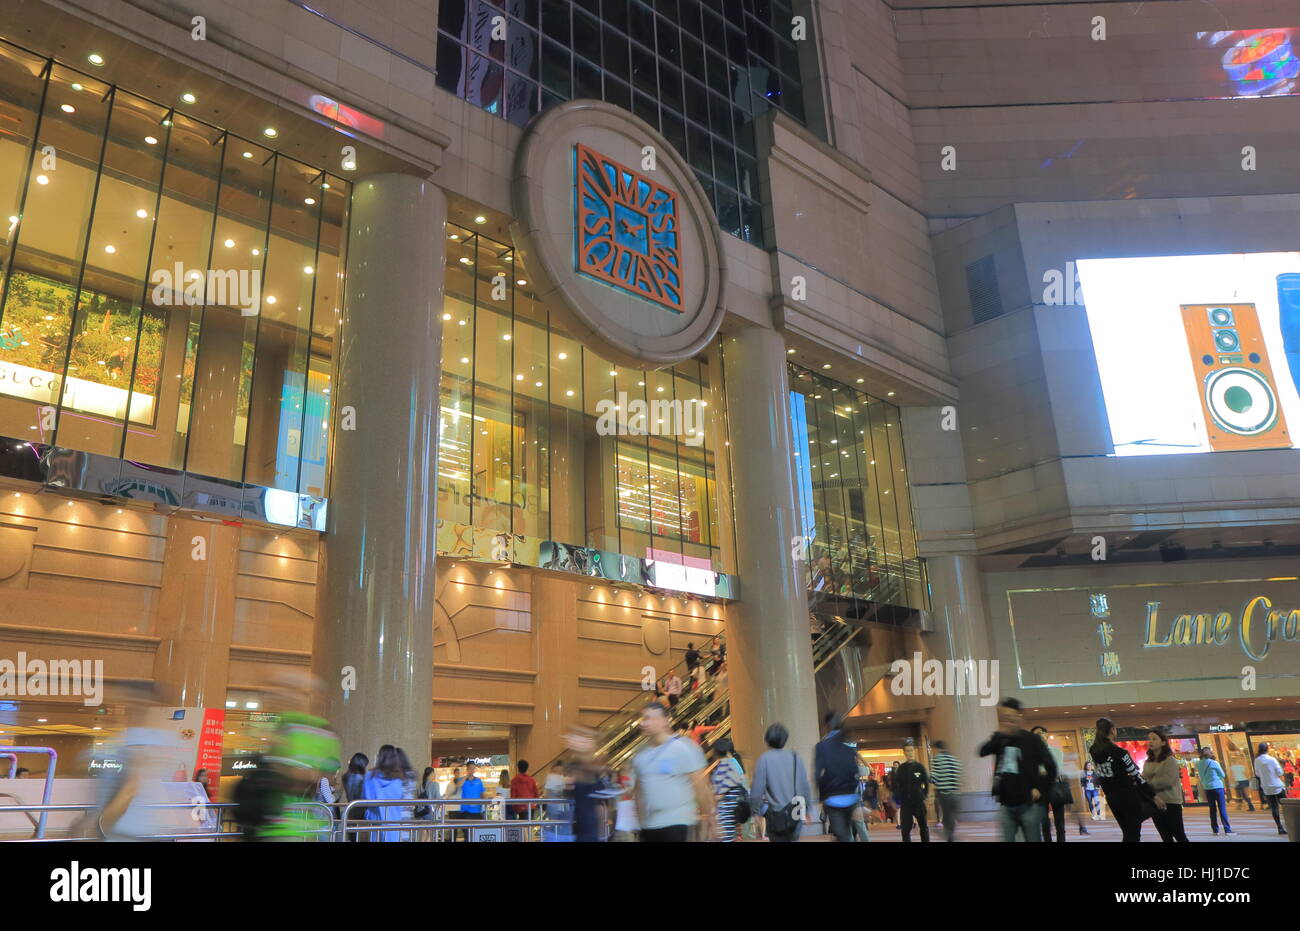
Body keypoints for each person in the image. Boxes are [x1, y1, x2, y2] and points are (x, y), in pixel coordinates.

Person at [630, 701, 713, 842]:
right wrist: (640, 823)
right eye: (643, 719)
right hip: (649, 826)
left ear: (664, 721)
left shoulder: (684, 747)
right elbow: (638, 791)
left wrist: (711, 818)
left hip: (677, 822)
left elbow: (701, 786)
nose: (643, 723)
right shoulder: (640, 754)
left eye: (648, 718)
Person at [979, 697, 1056, 842]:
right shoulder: (1000, 739)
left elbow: (1051, 767)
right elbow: (982, 751)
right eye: (1004, 718)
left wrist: (1040, 788)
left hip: (1029, 805)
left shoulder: (1032, 740)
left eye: (1010, 717)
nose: (1007, 721)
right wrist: (999, 735)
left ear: (1019, 717)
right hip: (1006, 804)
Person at [1089, 716, 1163, 843]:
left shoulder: (1094, 751)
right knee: (1133, 834)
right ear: (1112, 730)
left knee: (1127, 832)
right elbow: (1136, 775)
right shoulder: (1119, 752)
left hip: (1112, 798)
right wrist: (1154, 796)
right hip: (1128, 797)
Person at [749, 722, 812, 843]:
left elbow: (757, 790)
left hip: (775, 815)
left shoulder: (764, 759)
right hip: (796, 812)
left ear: (768, 740)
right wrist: (808, 809)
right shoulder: (795, 757)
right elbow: (805, 785)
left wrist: (755, 811)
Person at [815, 713, 861, 842]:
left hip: (833, 797)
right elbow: (855, 772)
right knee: (847, 831)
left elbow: (818, 774)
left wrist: (821, 796)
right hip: (851, 796)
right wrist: (857, 799)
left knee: (842, 834)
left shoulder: (822, 746)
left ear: (827, 727)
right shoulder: (849, 746)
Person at [1143, 728, 1189, 843]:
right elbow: (1142, 779)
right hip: (1154, 803)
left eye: (1154, 739)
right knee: (1165, 837)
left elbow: (1167, 781)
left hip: (1171, 802)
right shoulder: (1148, 761)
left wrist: (1147, 783)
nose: (1151, 742)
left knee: (1179, 835)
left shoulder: (1170, 760)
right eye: (1149, 739)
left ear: (1163, 742)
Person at [1031, 725, 1072, 842]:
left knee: (1060, 822)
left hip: (1055, 787)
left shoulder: (1056, 752)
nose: (1037, 737)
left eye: (1040, 734)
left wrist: (1040, 771)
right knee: (1044, 823)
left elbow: (1056, 770)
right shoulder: (1031, 754)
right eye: (1034, 736)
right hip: (1039, 790)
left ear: (1046, 735)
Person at [708, 738, 746, 843]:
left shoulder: (727, 766)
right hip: (729, 813)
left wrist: (710, 803)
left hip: (723, 814)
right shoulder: (734, 764)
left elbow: (720, 794)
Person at [894, 743, 930, 842]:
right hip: (906, 803)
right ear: (904, 753)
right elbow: (896, 784)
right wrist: (899, 797)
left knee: (923, 826)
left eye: (911, 750)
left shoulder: (920, 767)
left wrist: (924, 796)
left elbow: (926, 783)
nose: (910, 753)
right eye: (908, 751)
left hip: (918, 801)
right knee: (905, 829)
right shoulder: (901, 768)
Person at [1195, 747, 1233, 835]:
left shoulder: (1198, 763)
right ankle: (1227, 830)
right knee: (1222, 808)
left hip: (1207, 788)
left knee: (1212, 809)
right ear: (1210, 753)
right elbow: (1222, 775)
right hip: (1218, 787)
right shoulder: (1214, 763)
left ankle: (1215, 830)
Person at [930, 740, 962, 842]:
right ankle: (950, 834)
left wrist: (927, 777)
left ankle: (949, 837)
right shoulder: (955, 759)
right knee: (951, 816)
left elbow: (934, 778)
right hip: (956, 793)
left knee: (946, 816)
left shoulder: (937, 759)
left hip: (944, 793)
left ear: (938, 749)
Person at [1254, 742, 1289, 836]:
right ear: (1267, 749)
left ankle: (1280, 827)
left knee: (1274, 807)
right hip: (1277, 786)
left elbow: (1257, 774)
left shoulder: (1257, 760)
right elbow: (1279, 772)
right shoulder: (1271, 759)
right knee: (1286, 806)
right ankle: (1290, 825)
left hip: (1266, 787)